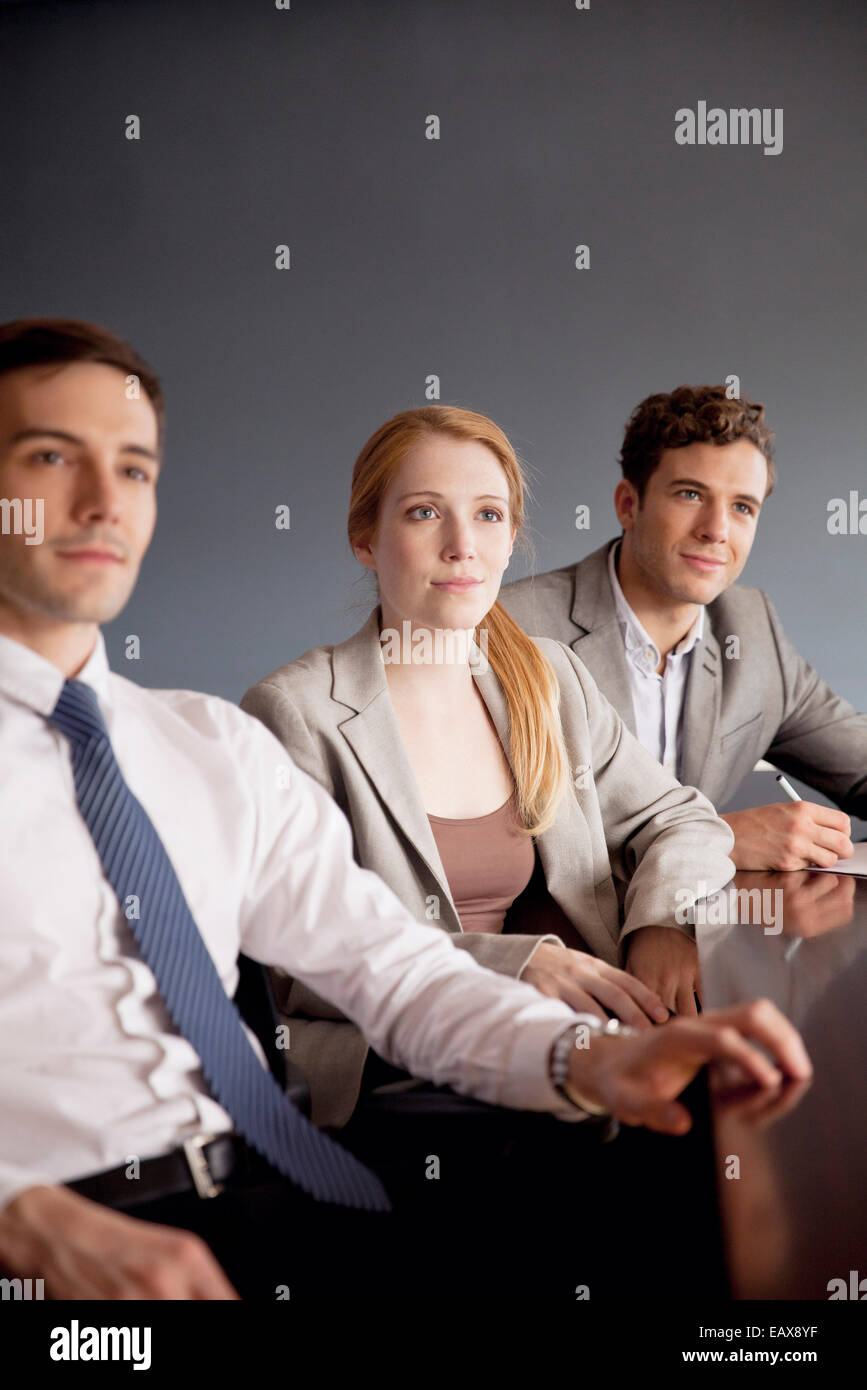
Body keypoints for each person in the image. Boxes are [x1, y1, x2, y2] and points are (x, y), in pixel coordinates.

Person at [0, 323, 811, 1300]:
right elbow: (321, 1005)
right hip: (63, 1238)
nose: (102, 499)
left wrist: (591, 1061)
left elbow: (393, 968)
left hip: (266, 1186)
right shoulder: (292, 711)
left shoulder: (208, 748)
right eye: (50, 455)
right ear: (365, 535)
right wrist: (22, 1216)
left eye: (132, 466)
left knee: (727, 1221)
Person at [242, 404, 737, 1131]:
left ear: (510, 540)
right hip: (394, 1075)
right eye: (422, 514)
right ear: (364, 541)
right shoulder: (294, 712)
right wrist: (514, 962)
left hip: (572, 1038)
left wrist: (661, 921)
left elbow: (680, 818)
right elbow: (302, 963)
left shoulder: (549, 678)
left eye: (486, 515)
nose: (460, 546)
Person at [500, 386, 867, 873]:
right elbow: (486, 840)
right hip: (553, 938)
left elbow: (859, 765)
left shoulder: (752, 628)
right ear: (629, 505)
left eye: (742, 507)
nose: (717, 529)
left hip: (701, 936)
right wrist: (716, 840)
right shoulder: (514, 627)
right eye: (691, 494)